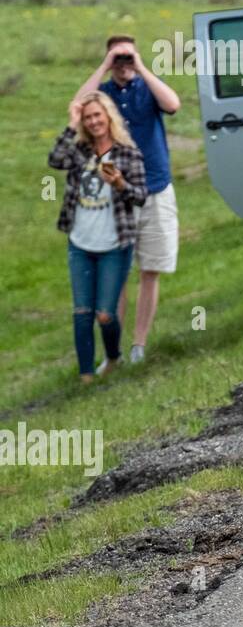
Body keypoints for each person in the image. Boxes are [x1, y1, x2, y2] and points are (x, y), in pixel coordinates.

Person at [73, 35, 181, 364]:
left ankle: (139, 345)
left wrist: (140, 66)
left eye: (126, 58)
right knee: (115, 272)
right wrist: (105, 66)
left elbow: (173, 104)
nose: (123, 65)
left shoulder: (147, 86)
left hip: (155, 187)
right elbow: (77, 108)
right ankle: (113, 351)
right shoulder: (102, 95)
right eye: (117, 60)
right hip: (115, 194)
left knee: (150, 269)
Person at [49, 93, 148, 383]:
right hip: (80, 241)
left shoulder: (128, 154)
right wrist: (70, 123)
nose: (93, 122)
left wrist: (119, 183)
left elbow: (141, 197)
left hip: (115, 244)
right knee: (82, 311)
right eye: (87, 117)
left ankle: (114, 356)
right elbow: (55, 160)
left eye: (97, 115)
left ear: (108, 117)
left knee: (105, 314)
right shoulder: (79, 151)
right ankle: (86, 377)